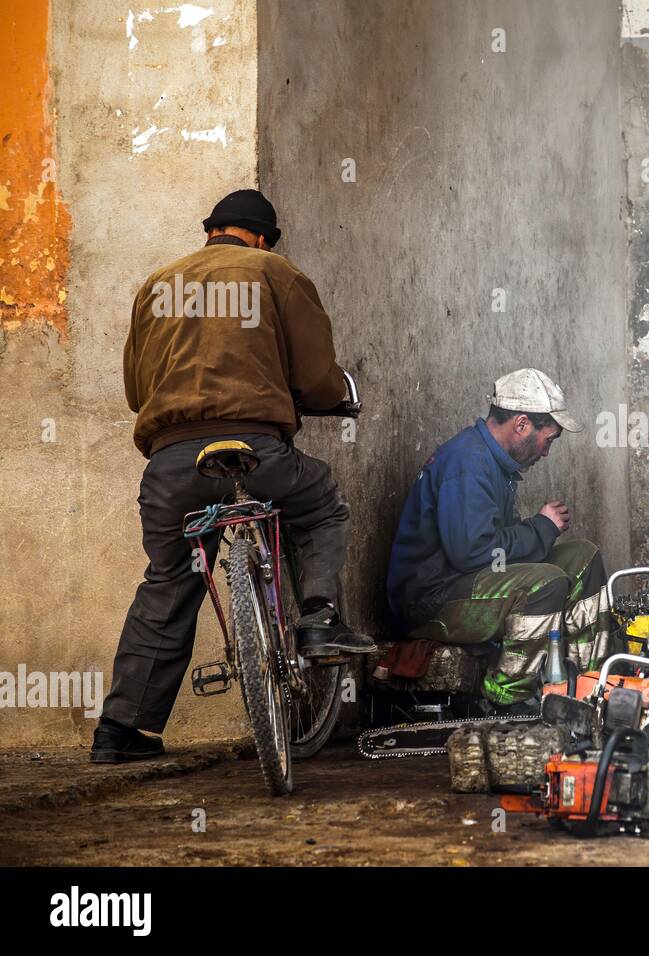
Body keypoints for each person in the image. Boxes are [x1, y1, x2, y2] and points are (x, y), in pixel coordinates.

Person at [93, 189, 375, 764]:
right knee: (321, 506)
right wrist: (333, 397)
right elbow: (316, 374)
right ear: (262, 238)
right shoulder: (275, 272)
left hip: (173, 464)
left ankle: (120, 731)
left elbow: (135, 390)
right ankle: (319, 619)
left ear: (211, 232)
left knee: (170, 582)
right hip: (257, 450)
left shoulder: (158, 285)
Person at [386, 369, 613, 712]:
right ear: (521, 425)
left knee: (582, 556)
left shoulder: (495, 463)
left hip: (469, 580)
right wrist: (540, 527)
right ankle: (508, 700)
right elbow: (475, 552)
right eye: (547, 439)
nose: (547, 452)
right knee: (545, 583)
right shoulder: (467, 462)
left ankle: (588, 689)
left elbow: (496, 551)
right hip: (432, 600)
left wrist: (538, 530)